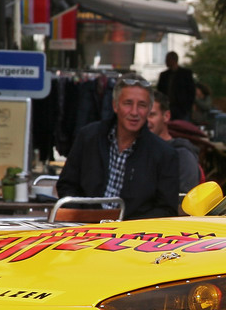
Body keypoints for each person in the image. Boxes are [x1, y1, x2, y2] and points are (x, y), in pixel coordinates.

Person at [58, 78, 180, 220]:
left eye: (142, 105)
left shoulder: (165, 154)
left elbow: (166, 209)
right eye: (128, 103)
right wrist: (82, 215)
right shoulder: (88, 137)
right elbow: (67, 184)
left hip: (132, 237)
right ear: (115, 106)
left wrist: (127, 226)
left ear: (148, 110)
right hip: (85, 228)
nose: (134, 112)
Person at [147, 92, 203, 195]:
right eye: (143, 115)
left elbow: (185, 204)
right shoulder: (135, 150)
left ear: (166, 116)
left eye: (151, 115)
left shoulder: (182, 155)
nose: (146, 120)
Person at [156, 51, 197, 124]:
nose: (166, 62)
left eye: (167, 60)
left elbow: (191, 91)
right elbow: (160, 91)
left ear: (173, 60)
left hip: (182, 109)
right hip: (168, 107)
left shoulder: (185, 74)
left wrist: (187, 107)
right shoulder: (164, 75)